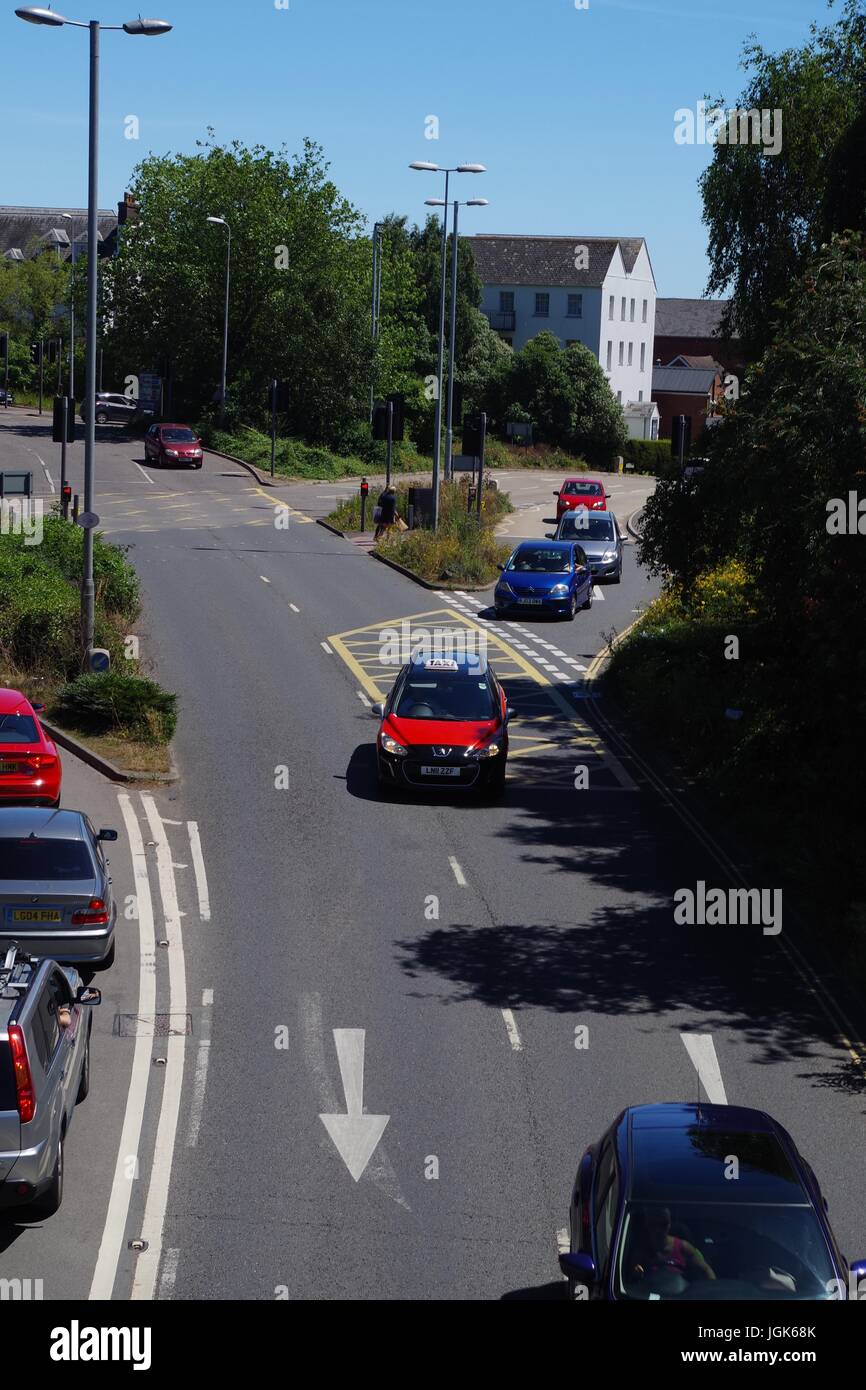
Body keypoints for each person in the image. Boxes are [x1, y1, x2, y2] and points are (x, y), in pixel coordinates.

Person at [628, 1206, 716, 1284]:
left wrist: (712, 1290)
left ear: (669, 1224)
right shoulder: (641, 1249)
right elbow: (632, 1275)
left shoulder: (683, 1247)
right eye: (654, 1224)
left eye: (663, 1224)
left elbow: (706, 1270)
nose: (659, 1230)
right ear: (647, 1224)